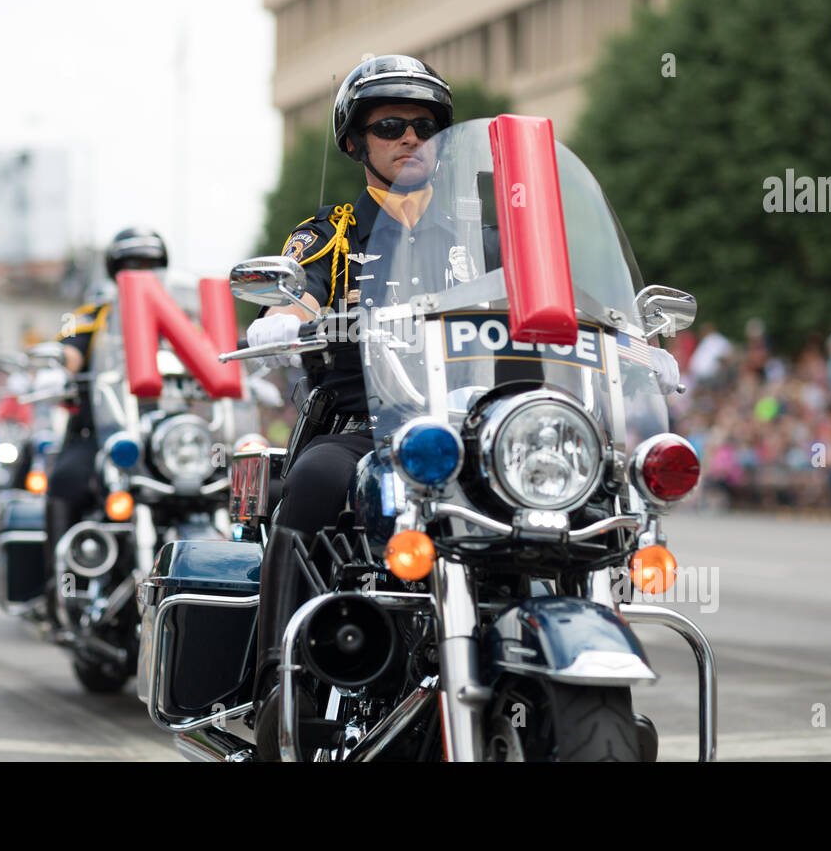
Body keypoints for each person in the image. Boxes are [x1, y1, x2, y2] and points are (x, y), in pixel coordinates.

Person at [243, 55, 681, 759]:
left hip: (480, 430)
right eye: (390, 125)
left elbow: (556, 301)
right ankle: (280, 685)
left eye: (425, 126)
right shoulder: (333, 232)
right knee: (314, 481)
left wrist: (630, 337)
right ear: (357, 142)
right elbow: (294, 296)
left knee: (594, 499)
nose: (412, 138)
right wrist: (288, 320)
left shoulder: (484, 234)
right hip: (372, 426)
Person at [43, 228, 168, 617]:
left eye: (149, 265)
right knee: (66, 478)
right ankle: (64, 584)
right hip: (100, 433)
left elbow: (213, 357)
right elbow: (69, 350)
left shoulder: (178, 318)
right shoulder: (89, 317)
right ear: (116, 270)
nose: (140, 273)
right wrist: (58, 368)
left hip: (166, 438)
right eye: (132, 265)